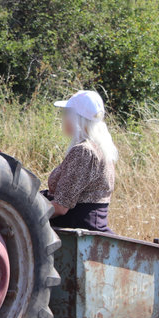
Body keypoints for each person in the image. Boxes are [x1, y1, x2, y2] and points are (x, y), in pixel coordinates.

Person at [45, 90, 118, 232]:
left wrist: (25, 210)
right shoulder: (100, 148)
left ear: (75, 118)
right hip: (87, 226)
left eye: (66, 113)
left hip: (76, 228)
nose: (63, 118)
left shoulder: (83, 151)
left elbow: (61, 206)